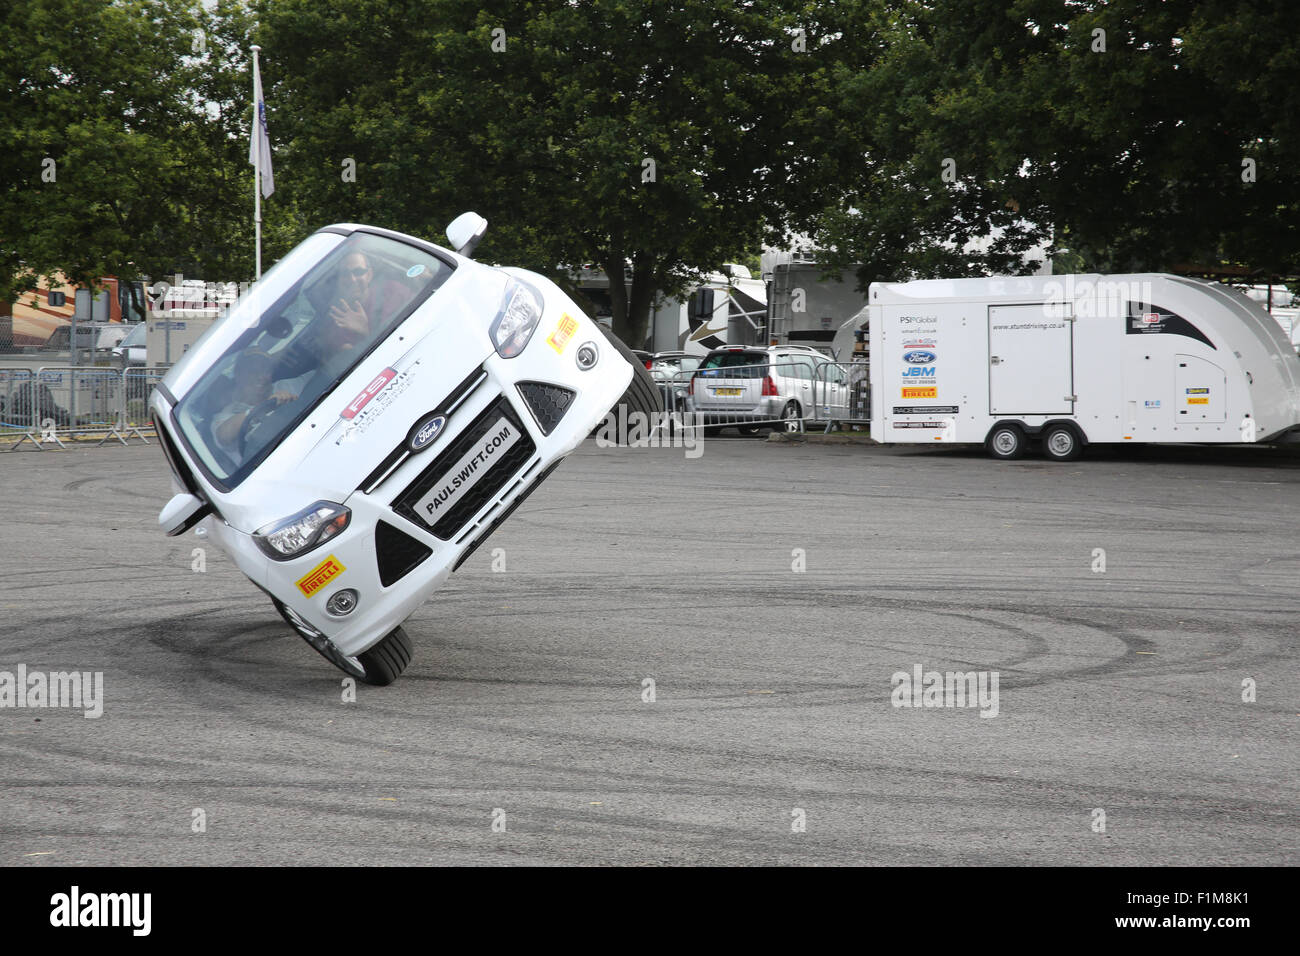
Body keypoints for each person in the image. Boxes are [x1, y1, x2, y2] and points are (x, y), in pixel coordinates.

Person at [212, 350, 299, 458]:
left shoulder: (287, 386)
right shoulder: (226, 414)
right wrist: (262, 409)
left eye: (265, 370)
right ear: (238, 374)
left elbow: (322, 377)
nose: (261, 376)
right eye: (253, 371)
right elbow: (224, 436)